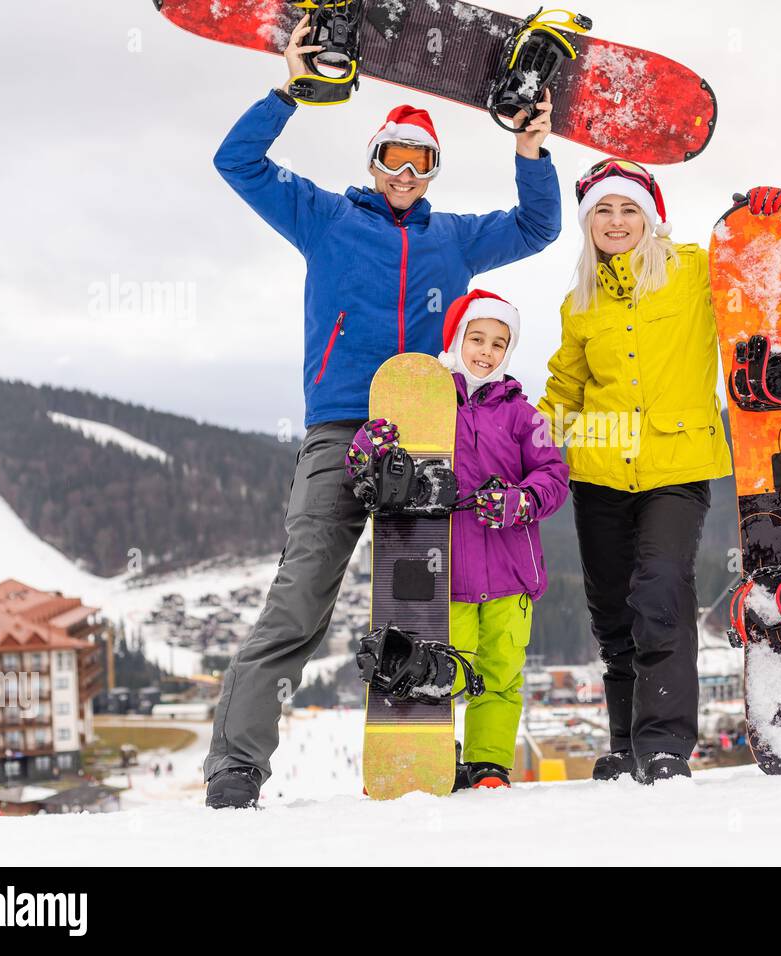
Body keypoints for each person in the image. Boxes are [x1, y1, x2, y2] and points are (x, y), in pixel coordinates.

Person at [203, 15, 562, 810]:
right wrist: (287, 91)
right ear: (373, 161)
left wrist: (530, 148)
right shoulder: (326, 216)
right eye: (393, 158)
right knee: (301, 596)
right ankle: (236, 765)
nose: (406, 173)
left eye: (421, 162)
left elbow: (540, 225)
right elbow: (238, 162)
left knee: (427, 602)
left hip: (431, 440)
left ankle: (440, 748)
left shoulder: (456, 241)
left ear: (433, 170)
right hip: (341, 431)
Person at [538, 159, 781, 783]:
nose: (616, 222)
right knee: (614, 614)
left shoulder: (694, 272)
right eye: (603, 211)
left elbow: (756, 274)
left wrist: (762, 222)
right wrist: (510, 441)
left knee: (661, 594)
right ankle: (625, 747)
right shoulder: (579, 304)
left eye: (628, 210)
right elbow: (565, 392)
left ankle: (666, 746)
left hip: (676, 468)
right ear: (588, 222)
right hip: (598, 472)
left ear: (651, 218)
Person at [357, 291, 569, 789]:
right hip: (443, 574)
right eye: (477, 338)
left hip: (511, 573)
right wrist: (368, 451)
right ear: (456, 339)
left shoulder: (524, 414)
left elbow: (554, 476)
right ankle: (421, 753)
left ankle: (488, 764)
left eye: (500, 343)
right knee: (442, 668)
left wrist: (521, 500)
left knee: (500, 674)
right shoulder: (422, 405)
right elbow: (382, 468)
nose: (487, 351)